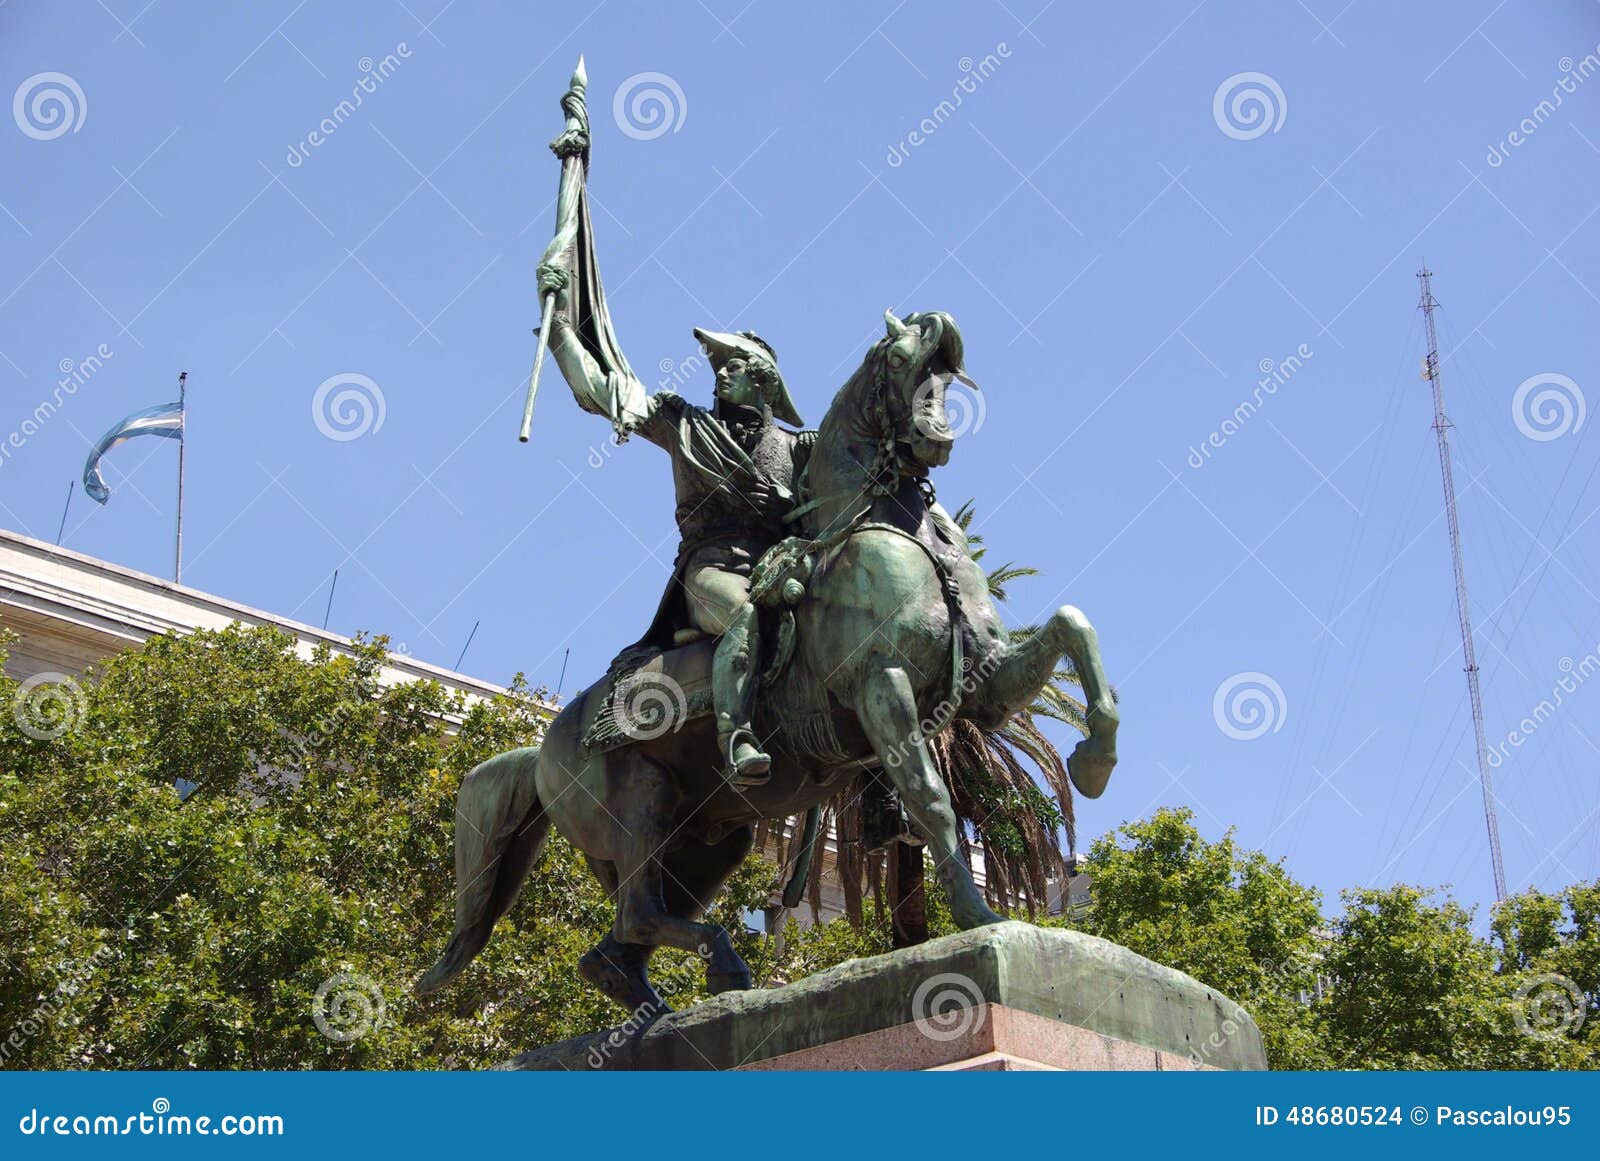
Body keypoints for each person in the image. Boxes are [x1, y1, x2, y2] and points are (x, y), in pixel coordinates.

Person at [536, 262, 810, 786]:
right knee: (744, 615)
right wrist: (561, 332)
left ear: (764, 379)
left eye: (734, 364)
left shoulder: (800, 451)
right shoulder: (683, 424)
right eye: (719, 365)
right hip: (711, 572)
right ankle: (738, 738)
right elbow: (604, 389)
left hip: (782, 571)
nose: (720, 372)